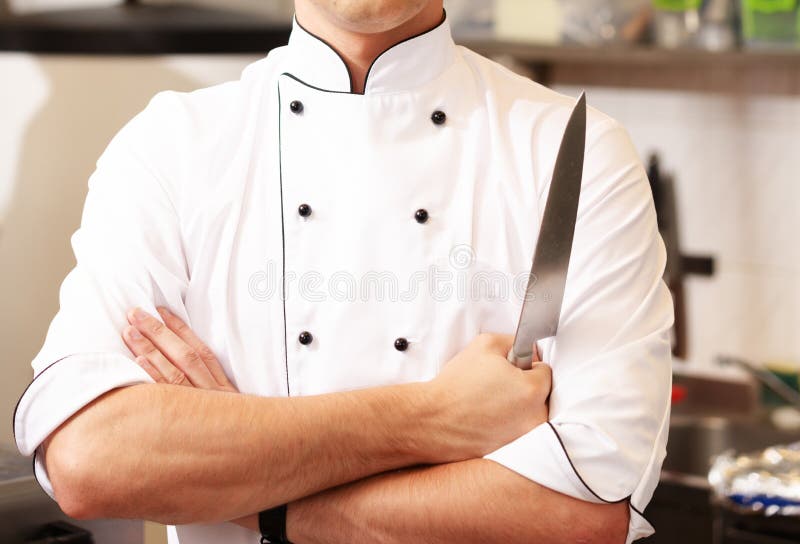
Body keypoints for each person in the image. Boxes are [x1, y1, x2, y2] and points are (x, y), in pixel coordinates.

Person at [13, 1, 673, 542]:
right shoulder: (171, 148)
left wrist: (247, 491)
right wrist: (431, 416)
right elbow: (88, 458)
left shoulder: (571, 152)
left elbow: (585, 515)